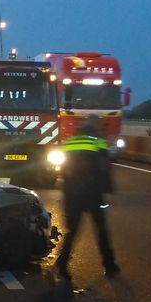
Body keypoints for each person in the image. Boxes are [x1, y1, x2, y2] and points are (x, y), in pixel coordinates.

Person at [54, 115, 119, 280]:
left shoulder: (70, 143)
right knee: (101, 229)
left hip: (71, 193)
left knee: (72, 231)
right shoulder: (98, 142)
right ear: (95, 127)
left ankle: (62, 263)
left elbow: (63, 169)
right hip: (92, 194)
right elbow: (104, 168)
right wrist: (108, 188)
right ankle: (109, 264)